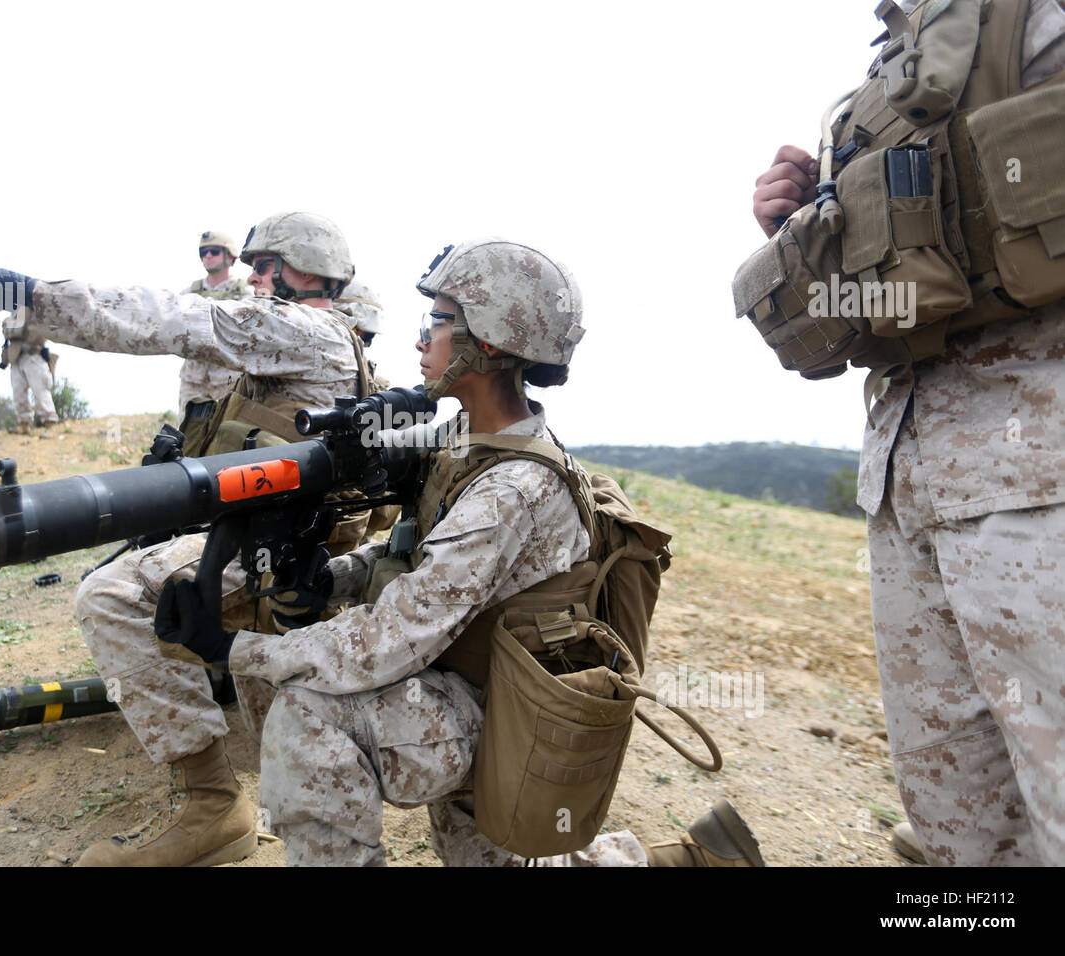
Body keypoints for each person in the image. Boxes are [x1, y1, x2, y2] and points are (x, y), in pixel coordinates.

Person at [164, 238, 766, 866]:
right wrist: (335, 580)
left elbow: (386, 643)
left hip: (507, 712)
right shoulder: (465, 442)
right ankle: (692, 859)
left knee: (308, 716)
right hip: (477, 683)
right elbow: (416, 556)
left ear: (492, 341)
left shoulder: (512, 488)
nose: (423, 339)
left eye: (441, 320)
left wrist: (232, 648)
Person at [0, 211, 387, 867]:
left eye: (267, 265)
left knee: (111, 594)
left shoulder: (304, 329)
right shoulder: (306, 343)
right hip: (272, 549)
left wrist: (38, 298)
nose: (251, 275)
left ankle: (214, 805)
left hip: (281, 556)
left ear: (311, 273)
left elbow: (173, 318)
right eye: (250, 263)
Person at [748, 0, 1065, 864]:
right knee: (959, 824)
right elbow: (865, 311)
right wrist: (807, 228)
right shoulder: (883, 78)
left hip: (1040, 466)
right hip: (909, 469)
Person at [176, 230, 250, 443]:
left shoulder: (245, 294)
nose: (207, 256)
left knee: (223, 437)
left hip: (227, 380)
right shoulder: (190, 293)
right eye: (203, 252)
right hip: (194, 379)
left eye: (214, 251)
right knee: (187, 436)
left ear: (230, 256)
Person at [0, 309, 58, 434]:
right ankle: (23, 425)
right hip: (16, 357)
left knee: (40, 390)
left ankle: (50, 425)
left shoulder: (38, 309)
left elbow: (37, 334)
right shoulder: (16, 312)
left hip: (34, 356)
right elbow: (9, 331)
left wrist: (19, 327)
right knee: (18, 392)